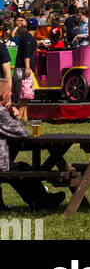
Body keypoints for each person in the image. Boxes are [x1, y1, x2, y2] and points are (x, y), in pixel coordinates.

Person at [0, 79, 64, 211]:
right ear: (2, 95)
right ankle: (43, 201)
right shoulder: (1, 112)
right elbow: (21, 132)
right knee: (22, 170)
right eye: (9, 92)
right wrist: (15, 116)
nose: (11, 93)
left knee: (19, 169)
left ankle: (41, 201)